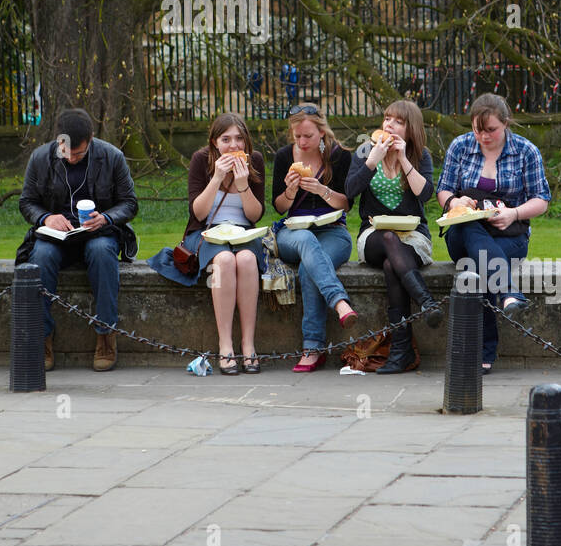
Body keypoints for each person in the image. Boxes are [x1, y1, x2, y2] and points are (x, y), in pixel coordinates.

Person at [16, 107, 138, 373]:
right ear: (58, 140)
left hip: (98, 233)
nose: (71, 158)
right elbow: (26, 202)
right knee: (41, 257)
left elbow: (130, 203)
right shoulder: (40, 158)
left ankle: (106, 336)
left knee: (102, 252)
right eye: (66, 151)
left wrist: (105, 218)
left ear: (91, 139)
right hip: (56, 236)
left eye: (79, 153)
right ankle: (42, 338)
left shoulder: (112, 157)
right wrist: (46, 217)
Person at [437, 93, 551, 373]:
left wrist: (513, 213)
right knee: (468, 226)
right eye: (477, 130)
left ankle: (483, 352)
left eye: (490, 130)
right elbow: (443, 189)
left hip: (510, 235)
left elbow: (542, 200)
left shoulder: (526, 150)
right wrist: (454, 202)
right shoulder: (460, 146)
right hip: (462, 234)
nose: (483, 136)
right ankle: (509, 292)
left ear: (506, 123)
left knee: (480, 263)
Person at [149, 113, 265, 374]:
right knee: (224, 260)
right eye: (226, 139)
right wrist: (216, 178)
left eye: (239, 139)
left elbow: (255, 216)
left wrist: (243, 184)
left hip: (243, 233)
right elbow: (198, 214)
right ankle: (225, 345)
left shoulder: (255, 160)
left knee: (246, 259)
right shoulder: (201, 160)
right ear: (214, 142)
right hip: (206, 233)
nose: (234, 146)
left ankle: (248, 344)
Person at [346, 100, 440, 375]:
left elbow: (425, 195)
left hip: (413, 237)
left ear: (410, 129)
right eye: (387, 119)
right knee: (388, 238)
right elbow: (350, 190)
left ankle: (401, 351)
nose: (389, 125)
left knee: (391, 266)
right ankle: (426, 302)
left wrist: (403, 159)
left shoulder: (420, 156)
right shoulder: (365, 151)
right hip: (373, 236)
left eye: (398, 121)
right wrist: (372, 161)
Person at [272, 103, 357, 371]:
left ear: (322, 131)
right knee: (307, 242)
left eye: (308, 135)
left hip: (333, 232)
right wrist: (290, 192)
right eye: (297, 136)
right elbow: (278, 208)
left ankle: (312, 347)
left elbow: (346, 204)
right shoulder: (285, 157)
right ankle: (339, 302)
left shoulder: (340, 156)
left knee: (310, 268)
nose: (302, 141)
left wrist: (322, 190)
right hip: (292, 234)